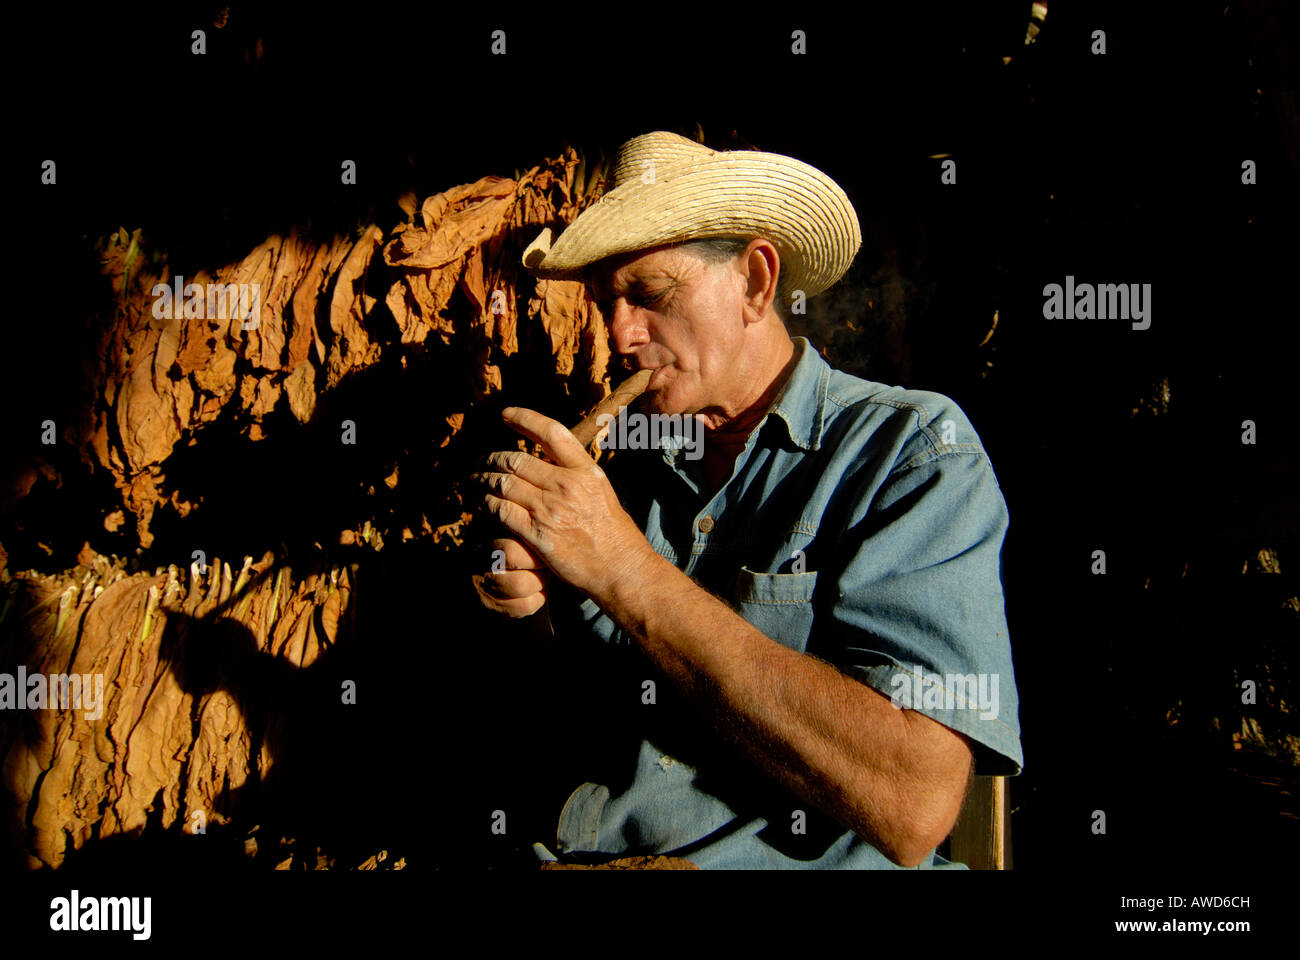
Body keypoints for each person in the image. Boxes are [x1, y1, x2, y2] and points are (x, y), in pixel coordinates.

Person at [471, 131, 1022, 868]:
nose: (618, 336)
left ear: (758, 283)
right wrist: (531, 610)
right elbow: (581, 741)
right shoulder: (620, 470)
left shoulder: (909, 449)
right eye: (606, 304)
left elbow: (913, 801)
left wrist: (623, 567)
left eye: (650, 295)